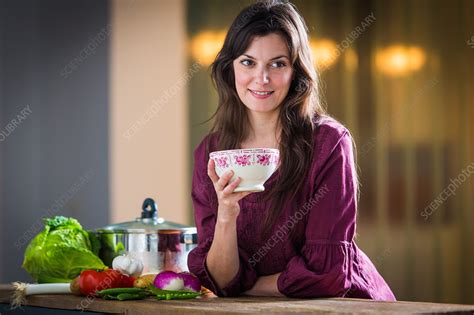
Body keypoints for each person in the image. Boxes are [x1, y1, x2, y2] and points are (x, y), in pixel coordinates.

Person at [188, 0, 396, 300]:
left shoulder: (329, 143)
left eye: (278, 64)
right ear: (229, 67)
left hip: (346, 307)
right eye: (248, 62)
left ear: (295, 71)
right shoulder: (212, 152)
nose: (262, 78)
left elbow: (325, 277)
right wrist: (226, 214)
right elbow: (220, 280)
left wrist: (245, 288)